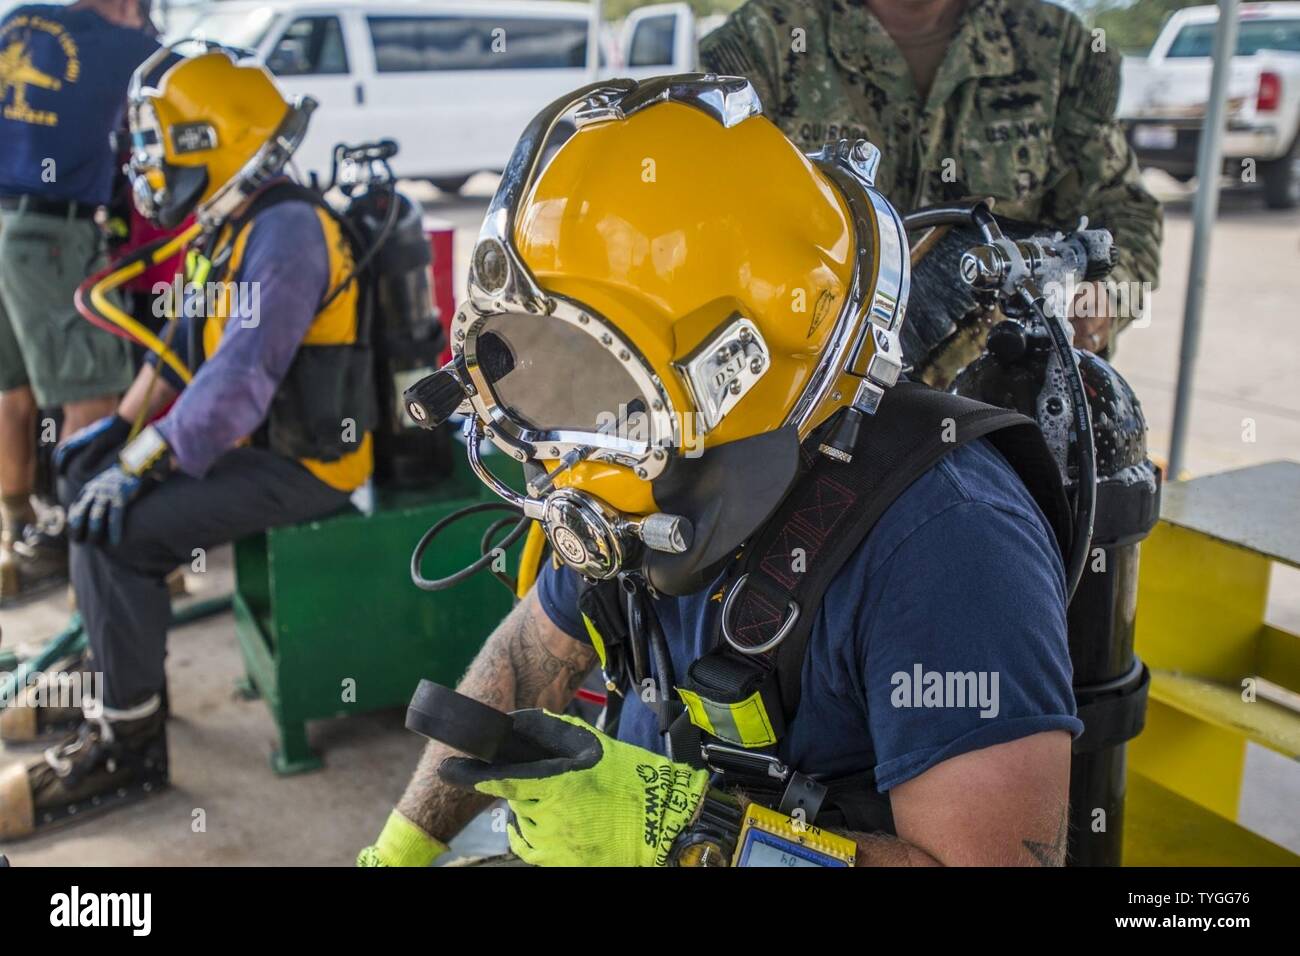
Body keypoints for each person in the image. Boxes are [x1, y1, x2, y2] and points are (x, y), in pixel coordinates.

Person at [359, 76, 1080, 867]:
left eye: (607, 369)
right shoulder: (614, 472)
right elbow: (527, 662)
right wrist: (400, 850)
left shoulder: (952, 544)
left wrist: (691, 838)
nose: (567, 442)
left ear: (739, 366)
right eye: (544, 362)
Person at [0, 48, 377, 836]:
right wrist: (114, 435)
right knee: (85, 475)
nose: (151, 163)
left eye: (165, 143)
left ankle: (127, 742)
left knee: (117, 533)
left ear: (220, 138)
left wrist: (140, 463)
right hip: (252, 446)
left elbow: (236, 383)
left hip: (308, 463)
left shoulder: (287, 232)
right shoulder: (230, 223)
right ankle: (115, 663)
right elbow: (179, 351)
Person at [699, 0, 1163, 377]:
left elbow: (1127, 213)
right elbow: (708, 217)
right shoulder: (766, 40)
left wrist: (1104, 301)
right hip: (816, 395)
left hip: (1001, 401)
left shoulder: (1057, 49)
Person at [0, 0, 159, 602]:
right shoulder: (126, 46)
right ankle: (87, 567)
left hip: (3, 224)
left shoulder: (19, 20)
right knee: (90, 398)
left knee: (13, 392)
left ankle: (16, 539)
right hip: (50, 236)